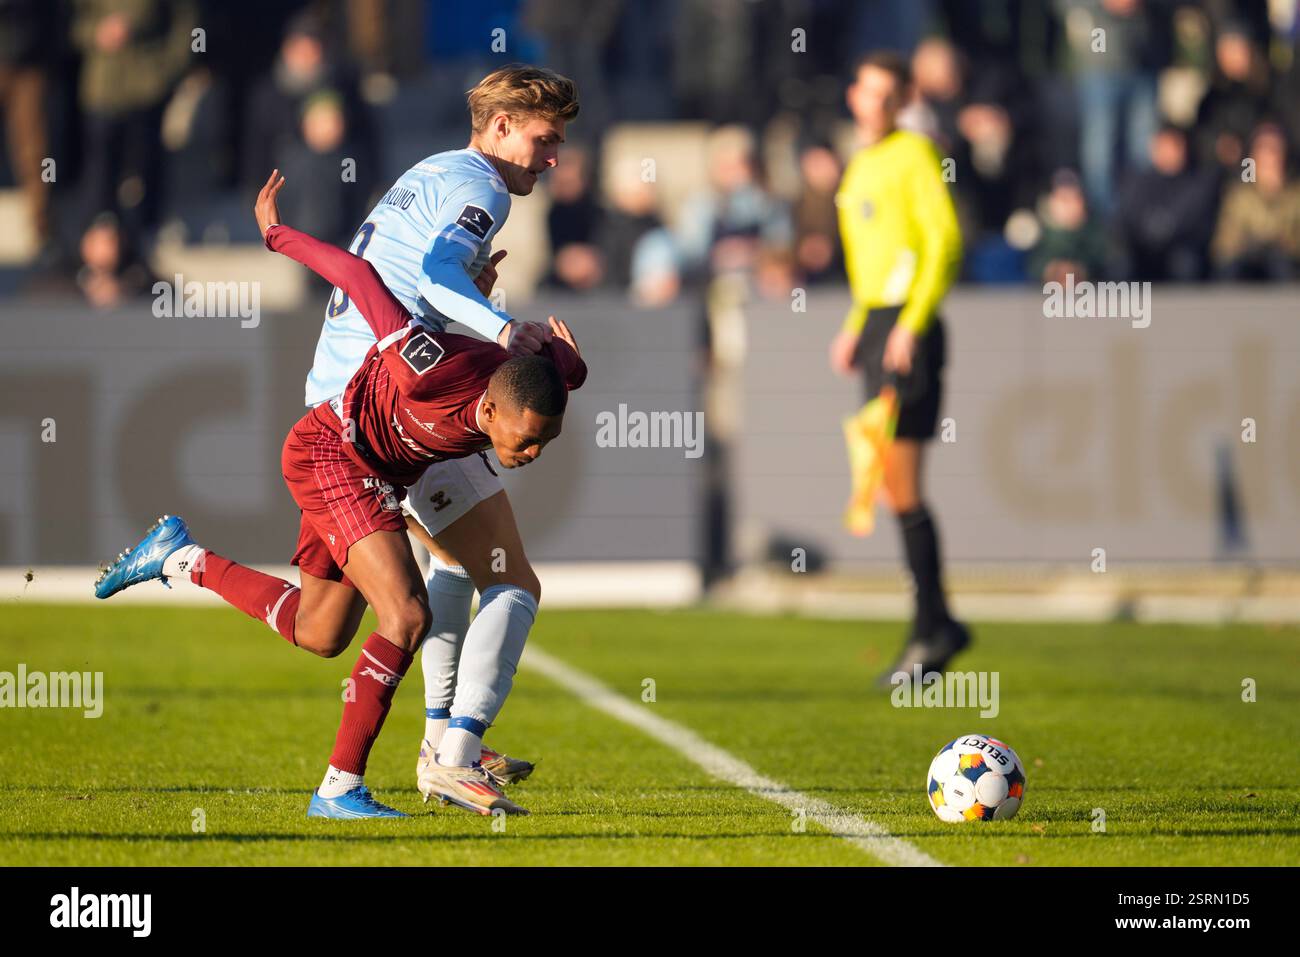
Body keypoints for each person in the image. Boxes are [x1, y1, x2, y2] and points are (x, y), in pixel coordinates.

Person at [93, 172, 587, 820]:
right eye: (524, 440)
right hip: (331, 455)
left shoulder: (515, 393)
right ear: (490, 408)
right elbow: (359, 277)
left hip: (373, 475)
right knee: (406, 613)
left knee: (320, 630)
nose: (528, 455)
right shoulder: (425, 365)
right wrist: (277, 235)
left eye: (542, 446)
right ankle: (340, 785)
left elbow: (560, 371)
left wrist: (571, 368)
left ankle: (181, 557)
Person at [302, 63, 579, 805]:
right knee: (513, 580)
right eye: (544, 141)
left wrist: (466, 303)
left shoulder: (433, 171)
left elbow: (405, 277)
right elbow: (432, 271)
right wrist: (504, 327)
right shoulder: (482, 186)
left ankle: (440, 739)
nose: (552, 159)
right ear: (498, 129)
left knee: (434, 577)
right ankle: (451, 752)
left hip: (344, 396)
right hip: (386, 399)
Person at [827, 51, 969, 688]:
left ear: (902, 100)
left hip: (908, 331)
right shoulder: (861, 162)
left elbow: (942, 240)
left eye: (890, 95)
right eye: (868, 91)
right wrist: (859, 325)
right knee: (889, 484)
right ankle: (935, 624)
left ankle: (933, 630)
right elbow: (876, 260)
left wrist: (910, 322)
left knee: (901, 483)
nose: (876, 104)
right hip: (882, 324)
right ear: (855, 94)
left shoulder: (913, 155)